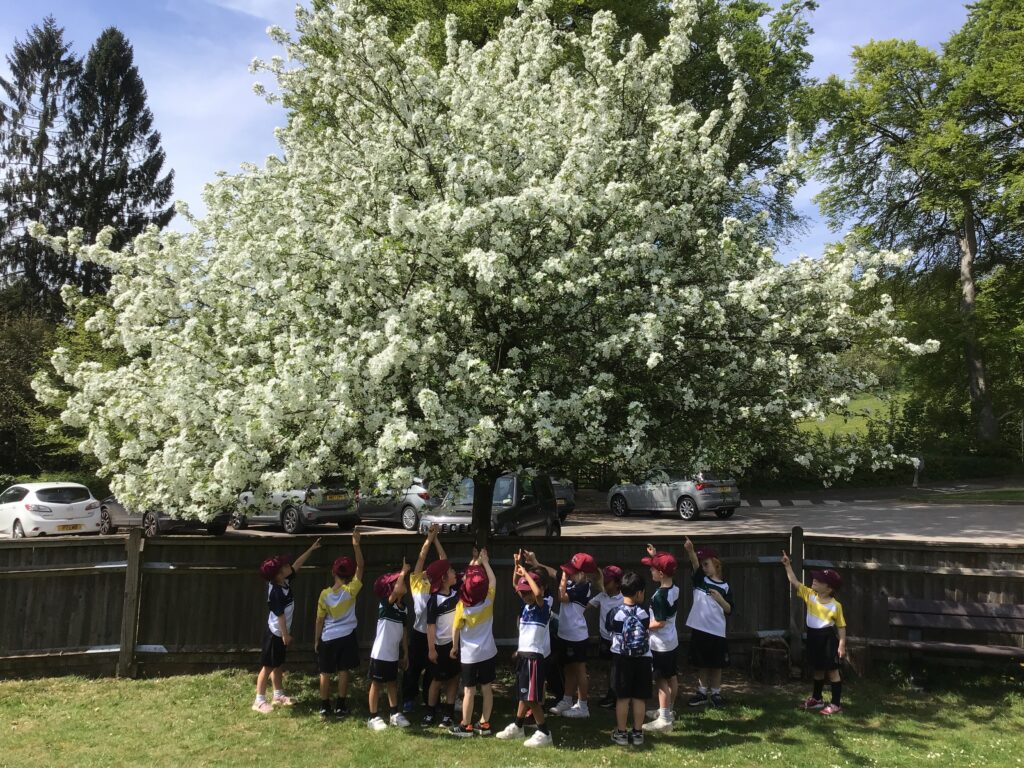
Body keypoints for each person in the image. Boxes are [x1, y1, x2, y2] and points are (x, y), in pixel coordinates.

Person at [253, 537, 321, 713]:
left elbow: (297, 564)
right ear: (277, 574)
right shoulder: (276, 591)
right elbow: (281, 616)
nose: (287, 566)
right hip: (275, 634)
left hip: (281, 633)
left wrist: (311, 549)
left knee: (278, 664)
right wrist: (285, 635)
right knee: (267, 666)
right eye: (283, 566)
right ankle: (259, 701)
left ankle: (278, 694)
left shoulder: (284, 581)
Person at [495, 554, 554, 748]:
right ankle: (518, 726)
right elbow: (515, 585)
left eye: (527, 592)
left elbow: (537, 593)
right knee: (524, 694)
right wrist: (517, 566)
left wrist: (527, 574)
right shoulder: (526, 605)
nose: (525, 595)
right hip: (523, 655)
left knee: (532, 698)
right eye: (523, 593)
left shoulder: (542, 607)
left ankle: (544, 732)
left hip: (534, 658)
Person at [782, 551, 846, 715]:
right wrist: (787, 565)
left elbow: (841, 626)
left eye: (819, 580)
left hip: (827, 640)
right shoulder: (810, 595)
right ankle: (817, 699)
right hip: (813, 638)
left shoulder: (835, 606)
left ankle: (836, 704)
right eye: (815, 578)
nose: (814, 580)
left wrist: (841, 645)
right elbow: (795, 582)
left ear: (829, 588)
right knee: (817, 669)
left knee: (832, 672)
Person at [314, 531, 364, 718]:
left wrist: (316, 640)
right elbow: (361, 565)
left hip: (328, 637)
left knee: (325, 672)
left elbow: (319, 619)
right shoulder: (351, 590)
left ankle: (324, 706)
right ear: (349, 575)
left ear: (333, 573)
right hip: (347, 635)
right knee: (344, 671)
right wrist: (356, 545)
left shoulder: (324, 594)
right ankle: (341, 705)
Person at [449, 548, 498, 737]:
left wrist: (454, 647)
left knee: (469, 690)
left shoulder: (461, 607)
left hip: (469, 656)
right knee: (486, 688)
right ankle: (485, 724)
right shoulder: (488, 600)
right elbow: (493, 580)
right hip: (488, 652)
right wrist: (484, 562)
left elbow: (455, 629)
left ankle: (466, 725)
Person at [682, 537, 733, 708]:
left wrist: (720, 600)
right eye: (702, 564)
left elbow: (729, 609)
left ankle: (716, 693)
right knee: (702, 663)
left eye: (707, 564)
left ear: (716, 564)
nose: (703, 567)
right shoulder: (700, 581)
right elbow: (695, 565)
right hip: (700, 629)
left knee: (716, 665)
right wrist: (690, 551)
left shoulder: (725, 587)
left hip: (717, 631)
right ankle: (702, 692)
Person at [546, 552, 597, 719]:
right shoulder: (572, 580)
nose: (568, 573)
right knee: (568, 668)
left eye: (572, 571)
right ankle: (567, 700)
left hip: (577, 635)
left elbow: (561, 597)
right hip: (564, 633)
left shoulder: (583, 587)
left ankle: (583, 706)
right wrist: (537, 562)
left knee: (579, 670)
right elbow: (554, 573)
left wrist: (564, 577)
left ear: (582, 574)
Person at [605, 570, 652, 746]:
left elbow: (609, 629)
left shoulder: (615, 612)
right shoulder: (645, 612)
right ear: (639, 592)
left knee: (623, 698)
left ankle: (622, 733)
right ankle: (638, 733)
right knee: (639, 697)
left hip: (621, 658)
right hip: (643, 657)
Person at [404, 524, 446, 713]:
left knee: (432, 671)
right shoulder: (420, 584)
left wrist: (433, 539)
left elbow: (442, 561)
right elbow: (423, 559)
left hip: (433, 635)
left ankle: (431, 701)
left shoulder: (433, 587)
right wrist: (430, 540)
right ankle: (409, 698)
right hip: (420, 634)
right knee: (413, 669)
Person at [366, 559, 412, 731]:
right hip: (380, 654)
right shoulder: (386, 604)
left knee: (392, 683)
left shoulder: (404, 608)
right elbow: (397, 589)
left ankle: (394, 714)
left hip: (393, 654)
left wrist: (405, 653)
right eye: (399, 582)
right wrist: (403, 571)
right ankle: (373, 717)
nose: (403, 584)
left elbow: (404, 632)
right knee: (376, 685)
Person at [641, 544, 680, 733]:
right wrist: (656, 556)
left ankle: (664, 720)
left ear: (661, 574)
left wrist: (641, 625)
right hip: (671, 642)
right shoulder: (674, 588)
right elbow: (666, 568)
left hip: (660, 644)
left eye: (653, 568)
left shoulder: (658, 597)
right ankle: (668, 711)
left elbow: (660, 622)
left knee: (661, 681)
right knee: (672, 676)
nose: (650, 571)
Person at [424, 555, 460, 727]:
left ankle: (448, 714)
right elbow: (430, 626)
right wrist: (431, 649)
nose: (455, 573)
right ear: (444, 578)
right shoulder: (434, 600)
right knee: (436, 681)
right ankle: (430, 712)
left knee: (453, 679)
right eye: (452, 571)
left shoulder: (457, 594)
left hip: (454, 645)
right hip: (439, 647)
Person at [586, 564, 624, 709]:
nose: (604, 585)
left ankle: (619, 697)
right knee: (609, 668)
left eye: (607, 582)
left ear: (617, 583)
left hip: (619, 641)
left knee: (618, 669)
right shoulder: (602, 596)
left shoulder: (624, 598)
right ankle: (611, 694)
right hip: (605, 639)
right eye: (603, 582)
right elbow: (585, 606)